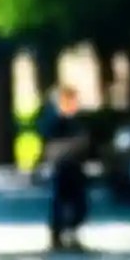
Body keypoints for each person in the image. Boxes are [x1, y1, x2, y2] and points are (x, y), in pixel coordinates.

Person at [37, 86, 91, 251]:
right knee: (61, 201)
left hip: (76, 166)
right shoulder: (56, 122)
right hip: (61, 166)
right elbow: (50, 145)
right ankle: (58, 235)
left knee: (78, 202)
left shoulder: (77, 121)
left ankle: (72, 233)